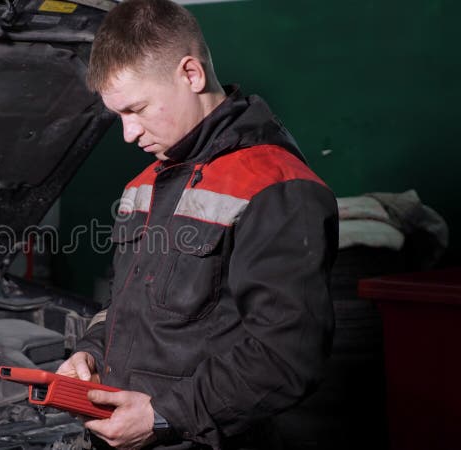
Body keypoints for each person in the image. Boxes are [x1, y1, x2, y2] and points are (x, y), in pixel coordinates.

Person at [55, 0, 339, 449]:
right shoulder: (145, 184)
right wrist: (89, 354)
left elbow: (286, 356)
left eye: (138, 109)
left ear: (191, 74)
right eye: (118, 117)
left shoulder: (275, 186)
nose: (128, 134)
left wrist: (164, 416)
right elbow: (126, 306)